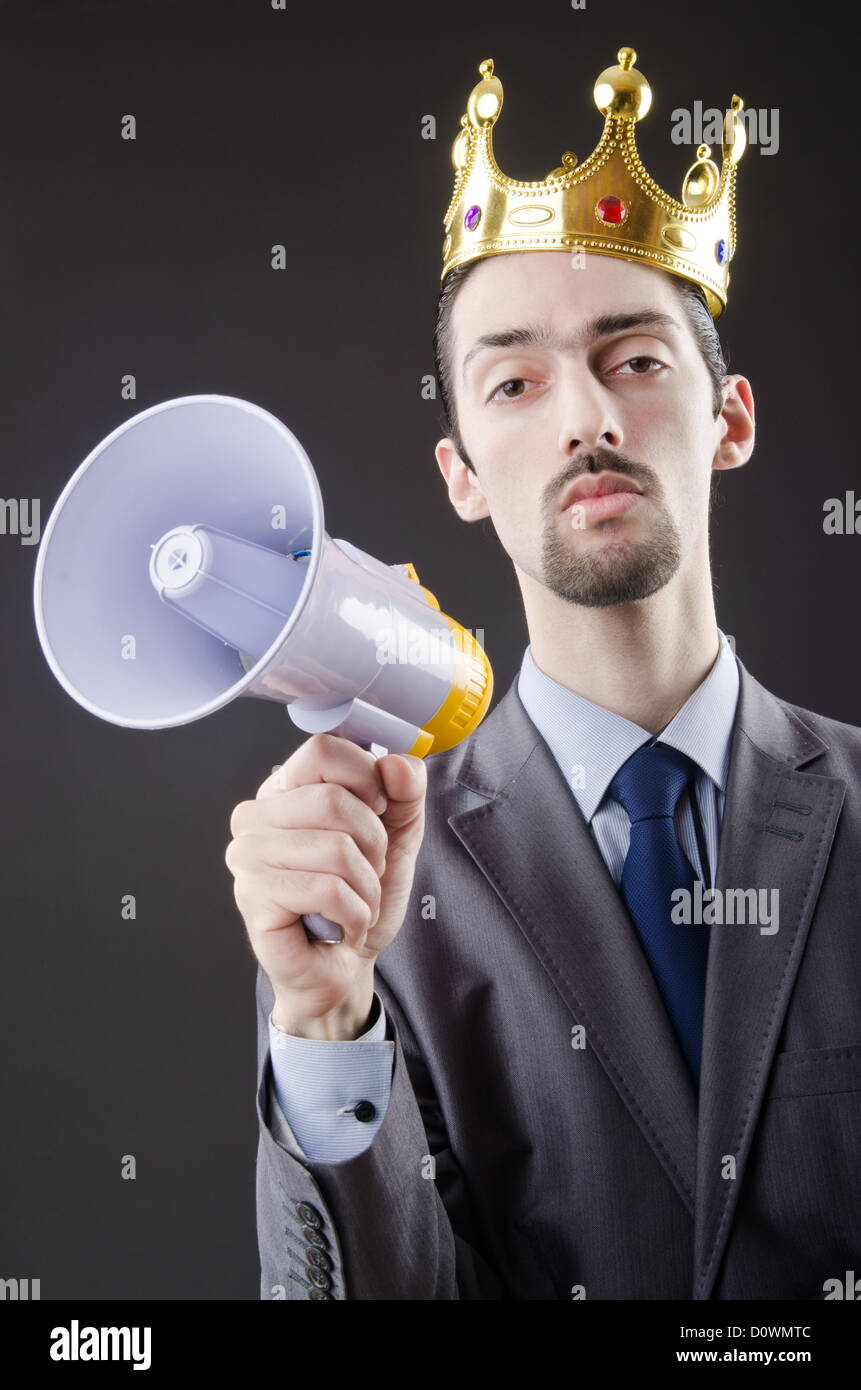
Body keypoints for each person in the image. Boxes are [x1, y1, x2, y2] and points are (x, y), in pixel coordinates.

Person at [226, 49, 861, 1300]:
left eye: (634, 359)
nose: (585, 419)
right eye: (514, 380)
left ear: (729, 418)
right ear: (461, 472)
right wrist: (322, 1023)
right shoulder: (365, 891)